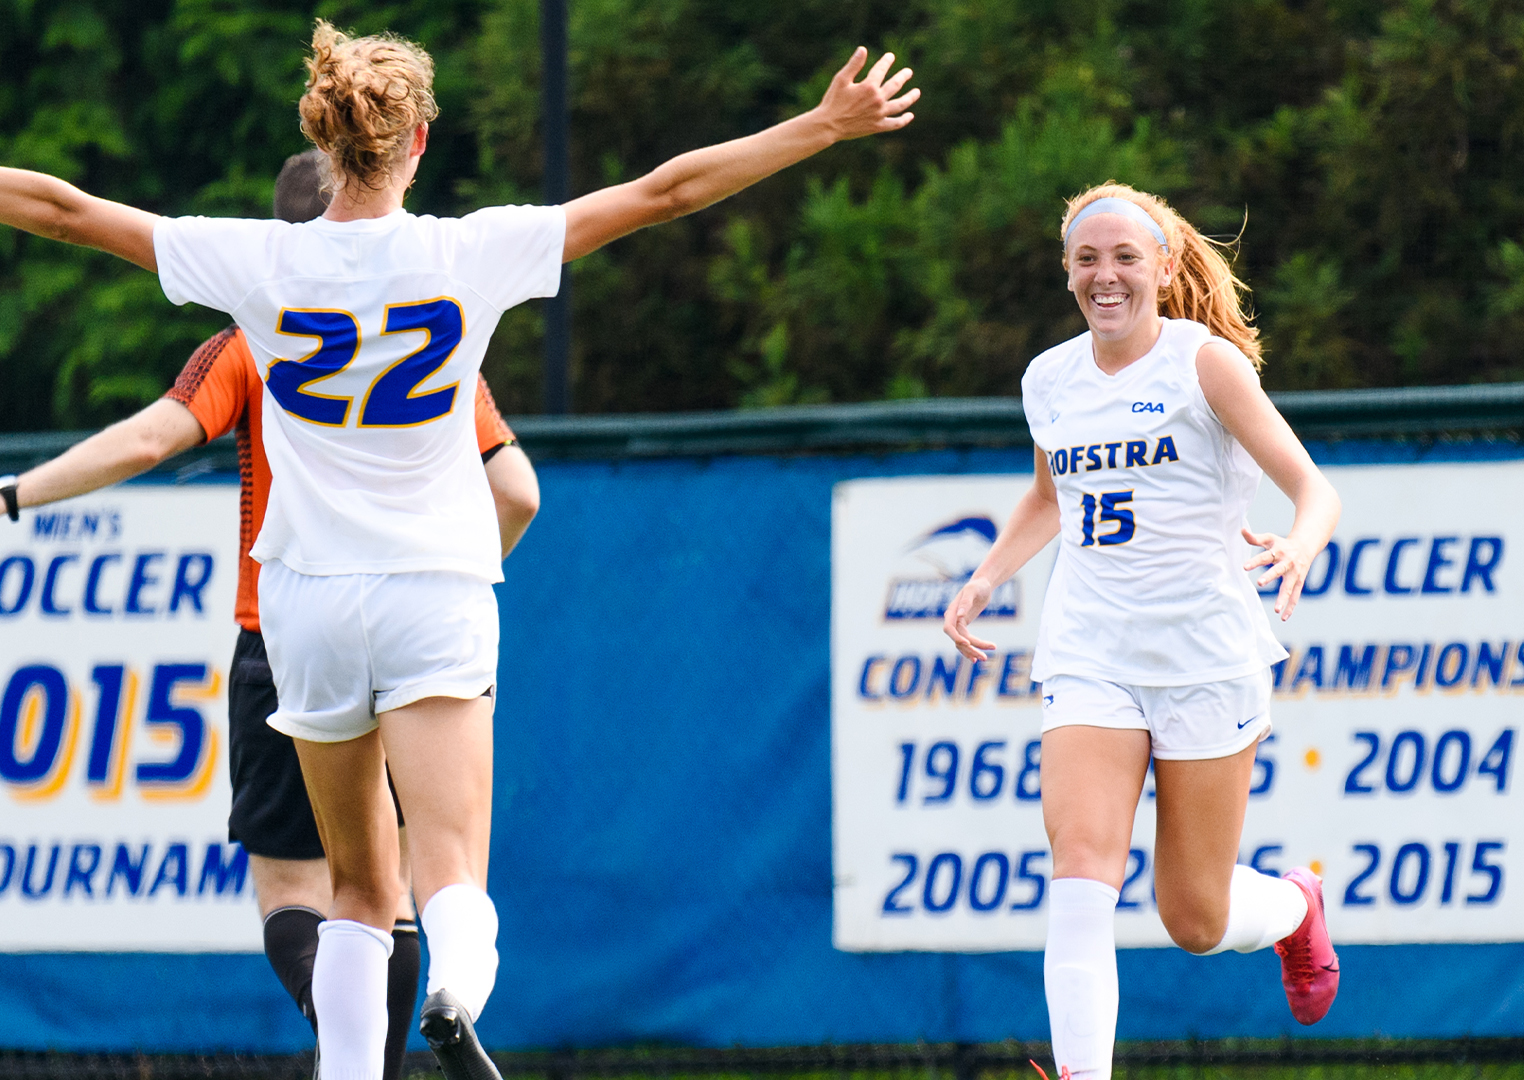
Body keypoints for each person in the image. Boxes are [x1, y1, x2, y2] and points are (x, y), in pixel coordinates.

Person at [0, 20, 916, 1080]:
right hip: (435, 583)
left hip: (303, 601)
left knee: (352, 887)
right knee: (447, 870)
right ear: (419, 141)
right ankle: (456, 991)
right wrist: (817, 125)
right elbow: (665, 192)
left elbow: (64, 210)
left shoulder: (257, 261)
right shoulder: (467, 252)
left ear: (323, 138)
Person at [0, 148, 536, 1080]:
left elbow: (154, 433)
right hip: (425, 616)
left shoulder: (259, 324)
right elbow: (517, 490)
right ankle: (427, 1021)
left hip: (287, 634)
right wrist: (457, 577)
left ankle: (348, 1056)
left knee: (312, 897)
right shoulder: (441, 321)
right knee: (411, 889)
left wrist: (19, 496)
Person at [941, 183, 1343, 1080]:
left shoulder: (1204, 365)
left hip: (1205, 654)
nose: (1106, 275)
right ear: (1067, 272)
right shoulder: (1049, 378)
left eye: (1126, 257)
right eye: (1088, 259)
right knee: (1082, 869)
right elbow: (1052, 498)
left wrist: (1299, 547)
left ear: (1164, 267)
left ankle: (1291, 907)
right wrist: (985, 576)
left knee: (1193, 920)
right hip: (1090, 651)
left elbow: (1316, 489)